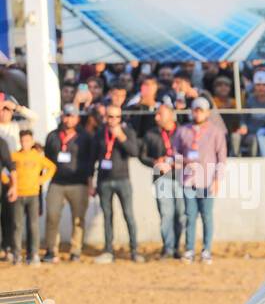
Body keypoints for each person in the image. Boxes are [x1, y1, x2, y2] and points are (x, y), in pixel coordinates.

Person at [174, 97, 226, 264]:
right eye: (195, 109)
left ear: (207, 113)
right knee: (189, 216)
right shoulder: (183, 131)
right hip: (189, 180)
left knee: (206, 216)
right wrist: (184, 161)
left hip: (207, 180)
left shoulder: (216, 132)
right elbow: (175, 153)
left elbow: (221, 158)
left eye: (201, 110)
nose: (198, 113)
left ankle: (206, 250)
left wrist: (218, 179)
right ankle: (189, 249)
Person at [90, 102, 142, 263]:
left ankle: (134, 250)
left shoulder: (127, 131)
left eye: (117, 117)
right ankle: (108, 251)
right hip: (104, 180)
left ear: (121, 118)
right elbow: (92, 159)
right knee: (107, 216)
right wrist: (91, 182)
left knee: (128, 215)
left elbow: (134, 152)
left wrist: (121, 137)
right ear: (106, 117)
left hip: (123, 180)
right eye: (110, 116)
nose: (113, 120)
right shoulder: (99, 133)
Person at [43, 105, 95, 263]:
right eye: (66, 115)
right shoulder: (52, 136)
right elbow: (47, 159)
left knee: (78, 219)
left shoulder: (85, 137)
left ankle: (76, 250)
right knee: (52, 216)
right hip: (56, 183)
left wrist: (90, 183)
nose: (68, 119)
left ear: (78, 118)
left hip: (78, 183)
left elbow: (90, 161)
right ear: (62, 117)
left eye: (72, 116)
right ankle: (51, 250)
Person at [138, 104, 186, 260]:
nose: (156, 117)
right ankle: (168, 247)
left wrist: (176, 162)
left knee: (180, 215)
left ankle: (177, 246)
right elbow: (142, 155)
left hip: (180, 178)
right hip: (162, 179)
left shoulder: (183, 132)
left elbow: (191, 153)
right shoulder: (151, 134)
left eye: (160, 114)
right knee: (166, 214)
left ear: (171, 116)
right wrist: (155, 162)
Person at [3, 129, 56, 265]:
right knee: (17, 225)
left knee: (33, 225)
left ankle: (33, 254)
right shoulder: (14, 156)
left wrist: (40, 180)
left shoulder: (37, 156)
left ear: (32, 141)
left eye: (27, 141)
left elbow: (52, 167)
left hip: (33, 195)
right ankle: (16, 255)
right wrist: (7, 182)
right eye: (22, 141)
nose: (25, 143)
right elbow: (4, 169)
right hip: (18, 194)